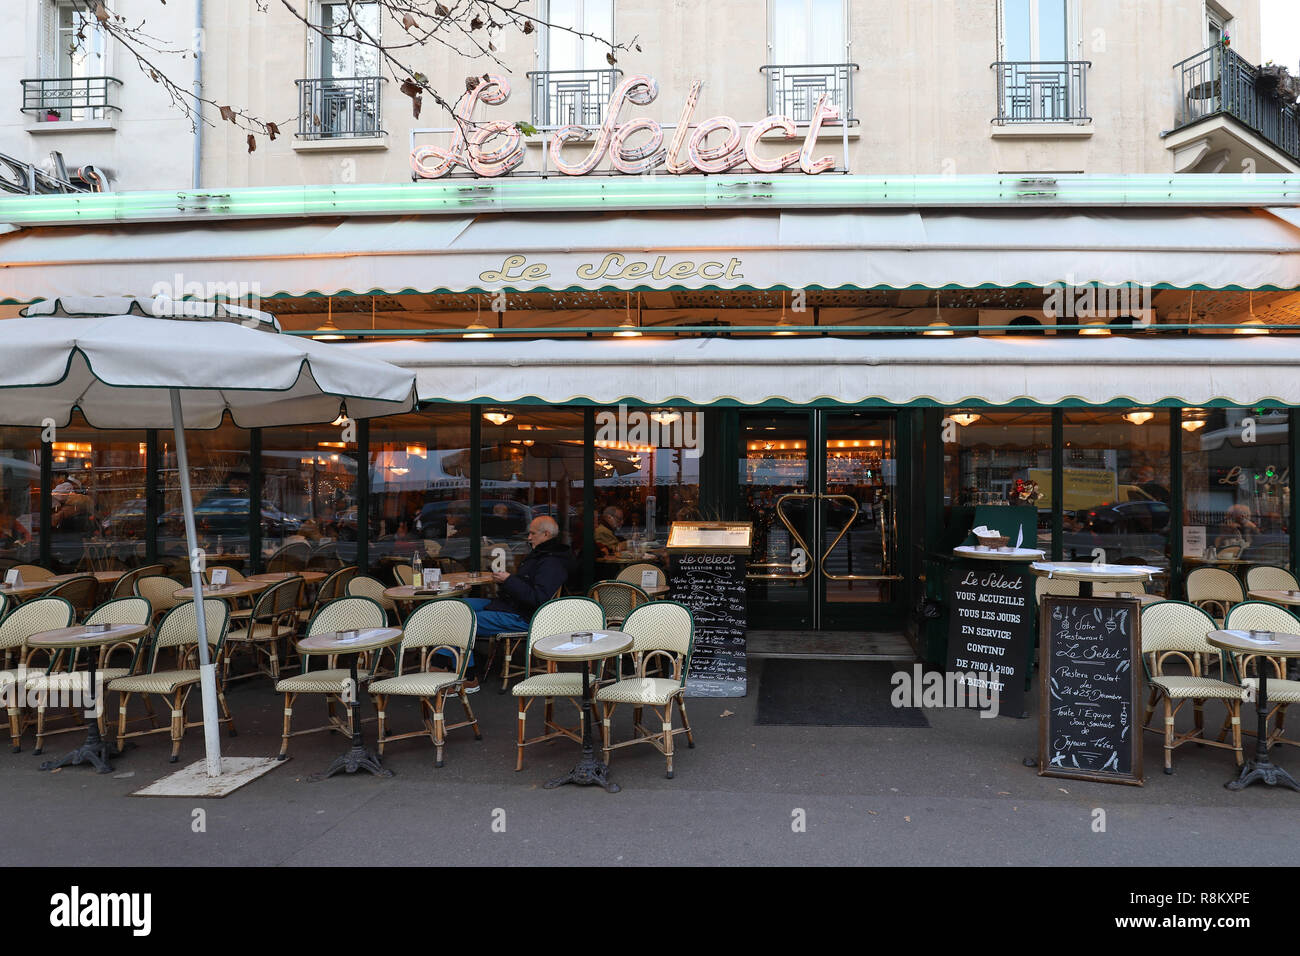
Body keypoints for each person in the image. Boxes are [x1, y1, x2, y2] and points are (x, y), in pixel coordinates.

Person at [459, 515, 575, 691]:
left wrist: (509, 581)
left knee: (460, 620)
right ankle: (445, 663)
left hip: (524, 616)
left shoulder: (552, 562)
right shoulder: (543, 555)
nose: (529, 538)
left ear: (545, 534)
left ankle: (467, 675)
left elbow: (538, 599)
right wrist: (508, 581)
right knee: (456, 607)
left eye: (532, 533)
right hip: (512, 606)